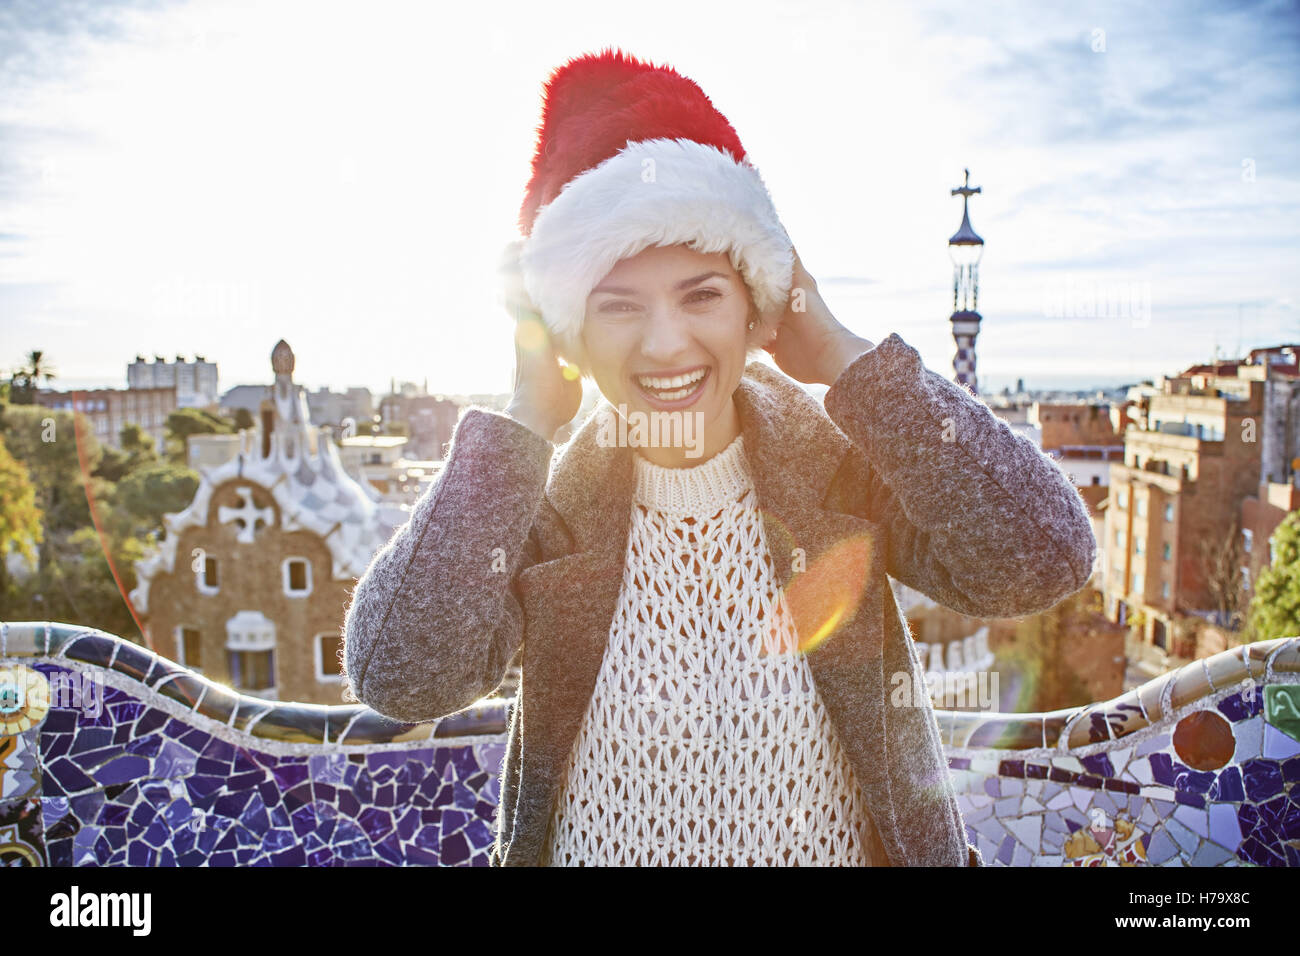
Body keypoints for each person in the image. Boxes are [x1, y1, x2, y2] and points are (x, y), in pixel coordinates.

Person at [340, 48, 1097, 867]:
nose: (667, 345)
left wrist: (843, 354)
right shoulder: (550, 504)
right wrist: (523, 422)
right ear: (570, 334)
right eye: (618, 306)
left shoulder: (834, 469)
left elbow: (1041, 559)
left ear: (757, 308)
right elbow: (403, 675)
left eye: (702, 293)